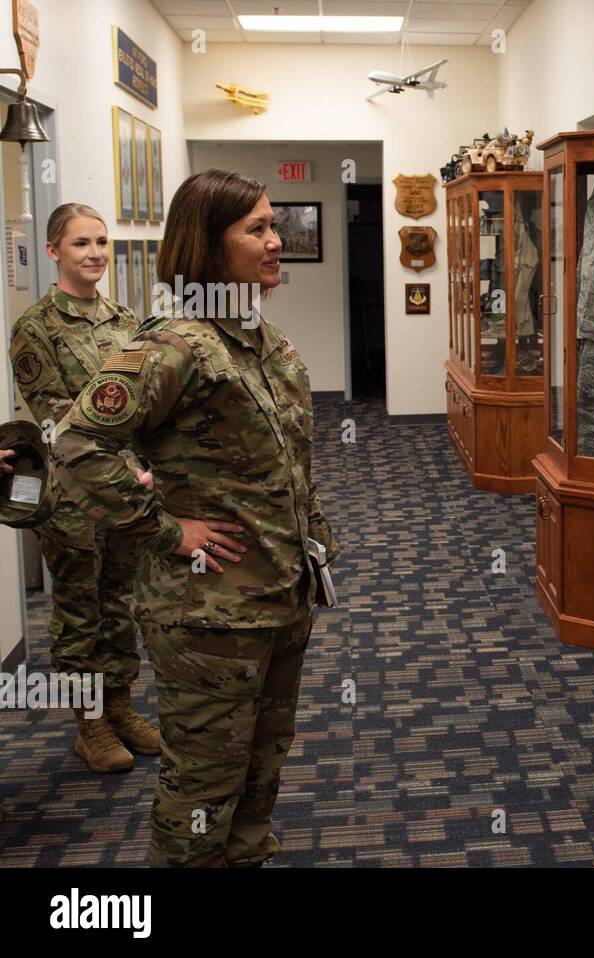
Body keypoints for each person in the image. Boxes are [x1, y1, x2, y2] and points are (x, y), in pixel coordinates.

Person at [51, 169, 339, 867]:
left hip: (279, 598)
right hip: (208, 616)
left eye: (275, 226)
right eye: (258, 230)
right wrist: (167, 531)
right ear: (208, 246)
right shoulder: (175, 342)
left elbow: (289, 461)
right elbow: (78, 444)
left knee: (258, 779)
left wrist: (317, 541)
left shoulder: (265, 342)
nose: (277, 243)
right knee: (202, 796)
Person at [7, 203, 158, 774]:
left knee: (119, 604)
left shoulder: (125, 319)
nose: (95, 253)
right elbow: (57, 418)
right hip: (71, 494)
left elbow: (142, 399)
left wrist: (147, 465)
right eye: (80, 244)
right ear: (53, 252)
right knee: (78, 612)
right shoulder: (36, 328)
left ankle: (119, 705)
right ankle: (88, 723)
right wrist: (123, 459)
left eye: (101, 242)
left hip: (127, 489)